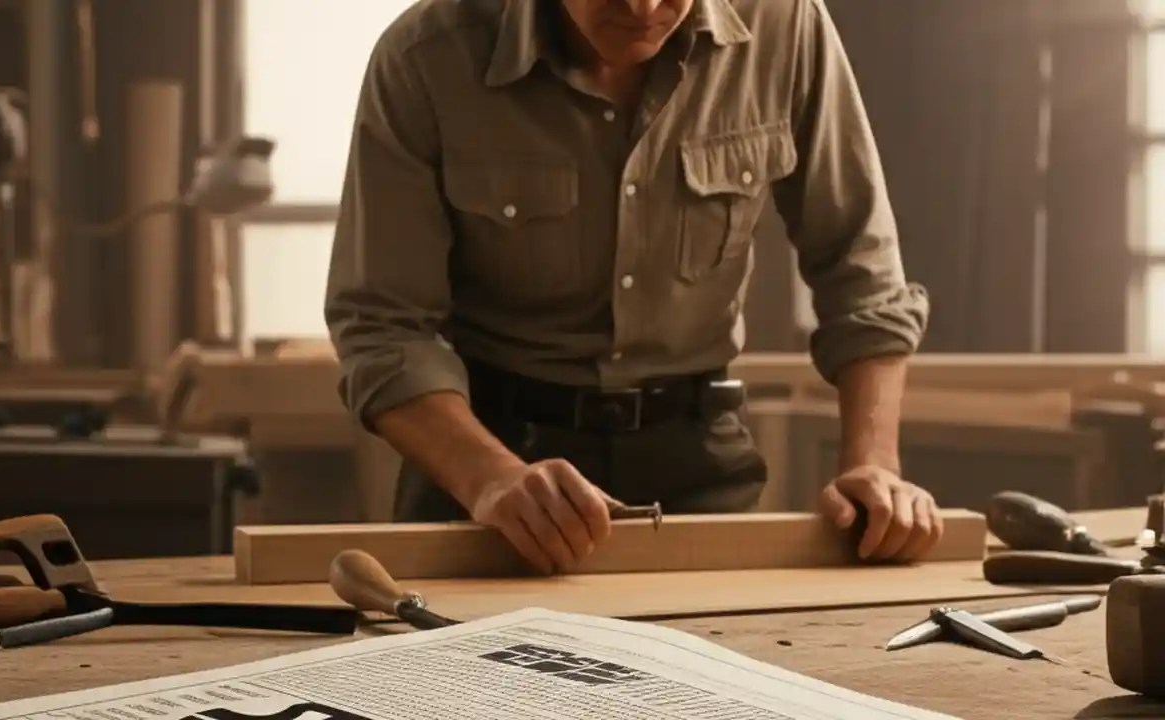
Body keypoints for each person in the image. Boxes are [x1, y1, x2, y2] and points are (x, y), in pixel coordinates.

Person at [325, 0, 943, 575]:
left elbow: (862, 275)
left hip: (695, 455)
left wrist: (873, 467)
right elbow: (382, 325)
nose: (644, 9)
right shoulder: (425, 58)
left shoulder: (786, 24)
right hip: (486, 456)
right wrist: (489, 477)